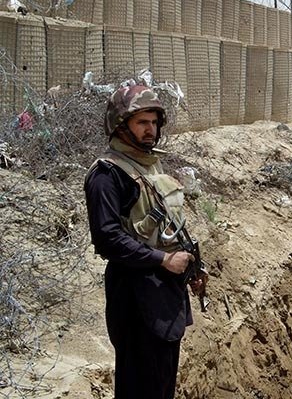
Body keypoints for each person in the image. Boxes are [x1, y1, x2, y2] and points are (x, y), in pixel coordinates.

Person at [84, 84, 207, 399]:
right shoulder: (107, 175)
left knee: (162, 382)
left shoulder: (150, 165)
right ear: (121, 125)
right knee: (141, 385)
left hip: (165, 291)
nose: (150, 130)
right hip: (136, 295)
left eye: (154, 122)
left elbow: (169, 225)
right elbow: (107, 238)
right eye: (142, 123)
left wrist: (191, 270)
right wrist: (163, 260)